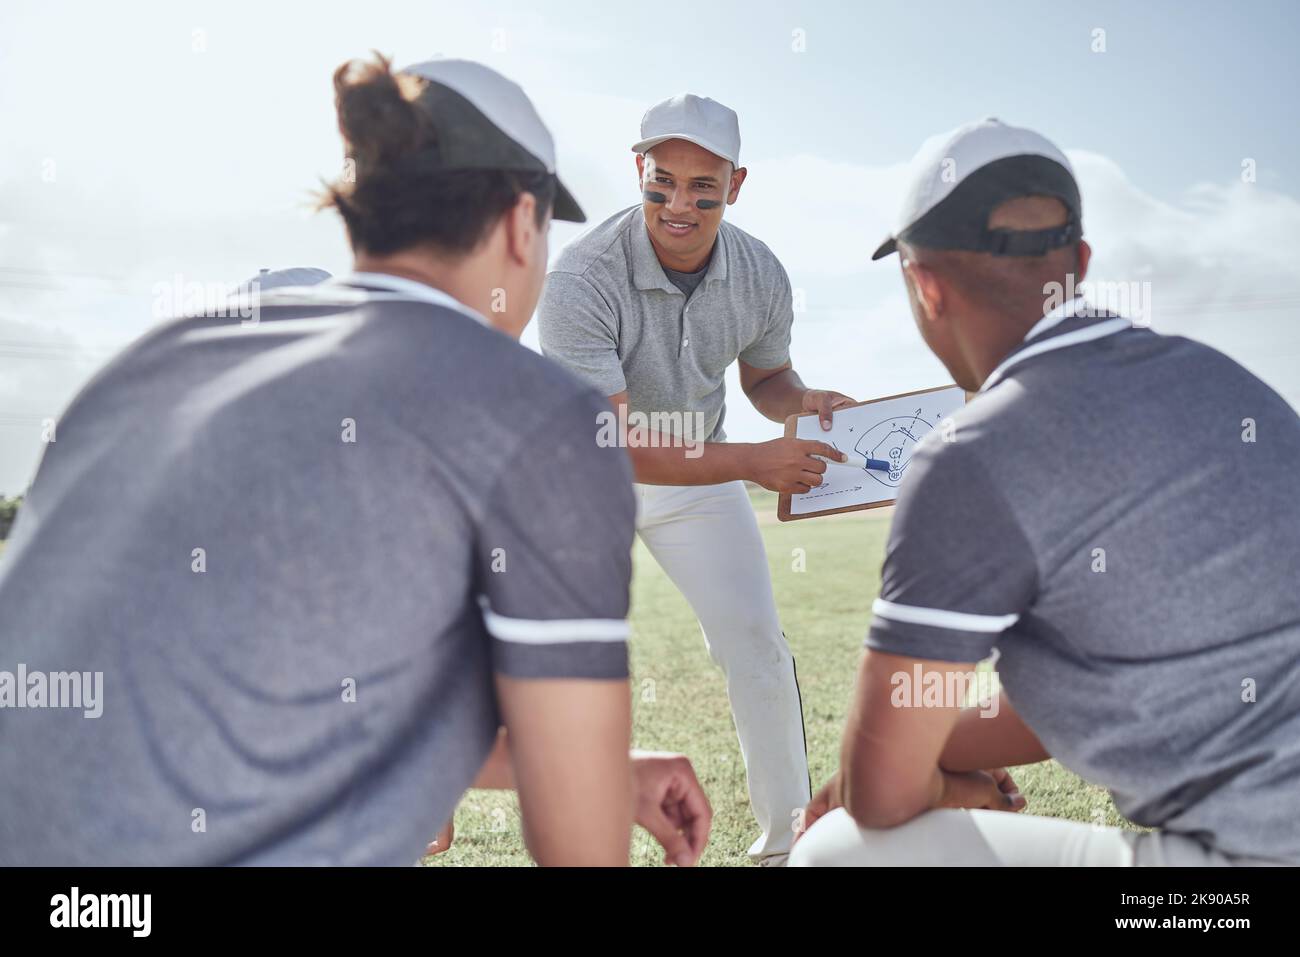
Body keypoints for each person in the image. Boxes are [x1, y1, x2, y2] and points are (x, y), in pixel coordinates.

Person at [0, 54, 710, 867]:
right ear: (523, 223)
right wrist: (582, 776)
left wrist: (593, 768)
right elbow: (581, 851)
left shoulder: (158, 359)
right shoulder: (540, 414)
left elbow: (231, 693)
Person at [790, 118, 1300, 867]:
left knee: (839, 850)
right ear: (1080, 262)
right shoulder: (1232, 385)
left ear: (924, 285)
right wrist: (930, 756)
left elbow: (876, 798)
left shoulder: (972, 455)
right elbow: (1111, 678)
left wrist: (944, 788)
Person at [537, 93, 855, 865]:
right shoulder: (579, 277)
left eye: (702, 186)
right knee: (555, 661)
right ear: (638, 170)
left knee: (757, 645)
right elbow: (612, 441)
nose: (679, 204)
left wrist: (802, 403)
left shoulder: (761, 271)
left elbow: (767, 378)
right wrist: (751, 460)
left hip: (700, 473)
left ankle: (788, 847)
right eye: (663, 181)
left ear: (735, 185)